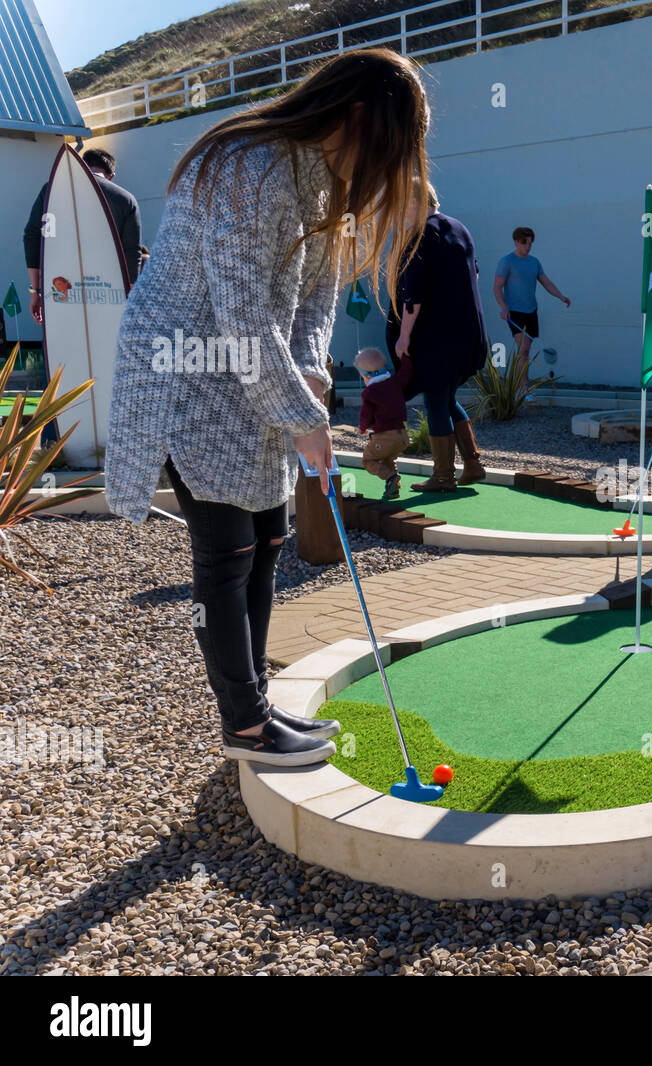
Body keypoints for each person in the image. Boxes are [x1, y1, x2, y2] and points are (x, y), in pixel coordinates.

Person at [104, 48, 432, 766]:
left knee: (269, 539)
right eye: (386, 146)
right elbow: (241, 315)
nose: (383, 169)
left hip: (253, 374)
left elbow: (314, 300)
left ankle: (255, 702)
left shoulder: (325, 181)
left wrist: (309, 374)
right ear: (353, 116)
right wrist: (304, 419)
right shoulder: (249, 169)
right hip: (186, 370)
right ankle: (244, 723)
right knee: (227, 552)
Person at [24, 147, 144, 445]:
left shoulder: (51, 191)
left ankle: (56, 443)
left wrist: (36, 290)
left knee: (59, 366)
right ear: (111, 174)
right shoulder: (124, 198)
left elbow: (31, 235)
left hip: (61, 296)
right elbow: (132, 257)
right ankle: (116, 437)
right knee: (111, 365)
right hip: (109, 299)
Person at [388, 178, 490, 492]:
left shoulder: (420, 234)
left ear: (414, 202)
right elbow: (473, 273)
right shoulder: (459, 228)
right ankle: (472, 464)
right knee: (446, 397)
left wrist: (403, 337)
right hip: (468, 335)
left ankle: (443, 475)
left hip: (436, 338)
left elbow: (413, 295)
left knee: (435, 398)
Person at [492, 226, 569, 362]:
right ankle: (522, 384)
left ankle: (521, 382)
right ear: (516, 242)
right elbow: (497, 287)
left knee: (525, 351)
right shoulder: (507, 262)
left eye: (530, 243)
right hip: (514, 312)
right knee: (523, 348)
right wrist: (503, 307)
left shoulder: (534, 262)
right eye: (524, 242)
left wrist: (561, 296)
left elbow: (546, 282)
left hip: (531, 311)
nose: (528, 246)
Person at [356, 346, 413, 500]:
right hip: (402, 436)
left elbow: (366, 415)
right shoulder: (394, 382)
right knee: (388, 459)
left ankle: (391, 478)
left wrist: (362, 427)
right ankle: (394, 488)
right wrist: (404, 357)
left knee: (368, 460)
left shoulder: (370, 392)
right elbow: (406, 373)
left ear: (366, 376)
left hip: (384, 436)